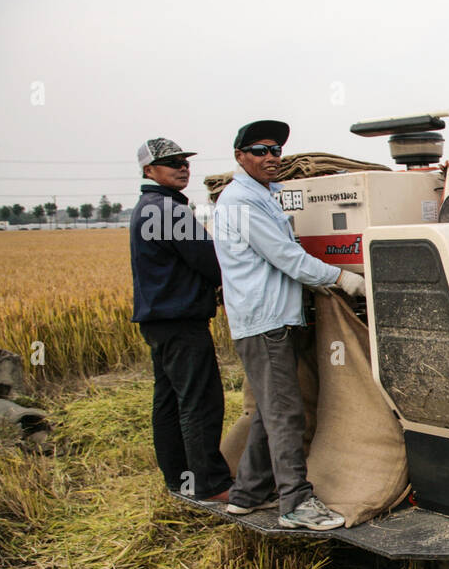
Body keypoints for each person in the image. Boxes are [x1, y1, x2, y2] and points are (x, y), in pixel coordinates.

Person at [212, 120, 365, 530]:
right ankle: (296, 503)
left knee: (268, 410)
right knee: (286, 414)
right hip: (265, 324)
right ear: (239, 156)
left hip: (276, 319)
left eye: (276, 150)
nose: (271, 158)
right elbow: (287, 257)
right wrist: (343, 278)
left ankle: (247, 494)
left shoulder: (265, 196)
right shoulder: (241, 203)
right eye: (260, 151)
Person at [129, 137, 233, 503]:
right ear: (149, 170)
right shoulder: (166, 210)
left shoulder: (148, 206)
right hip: (181, 322)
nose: (182, 167)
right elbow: (212, 262)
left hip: (159, 322)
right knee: (200, 402)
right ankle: (212, 485)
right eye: (172, 163)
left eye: (184, 161)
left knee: (169, 402)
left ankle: (179, 480)